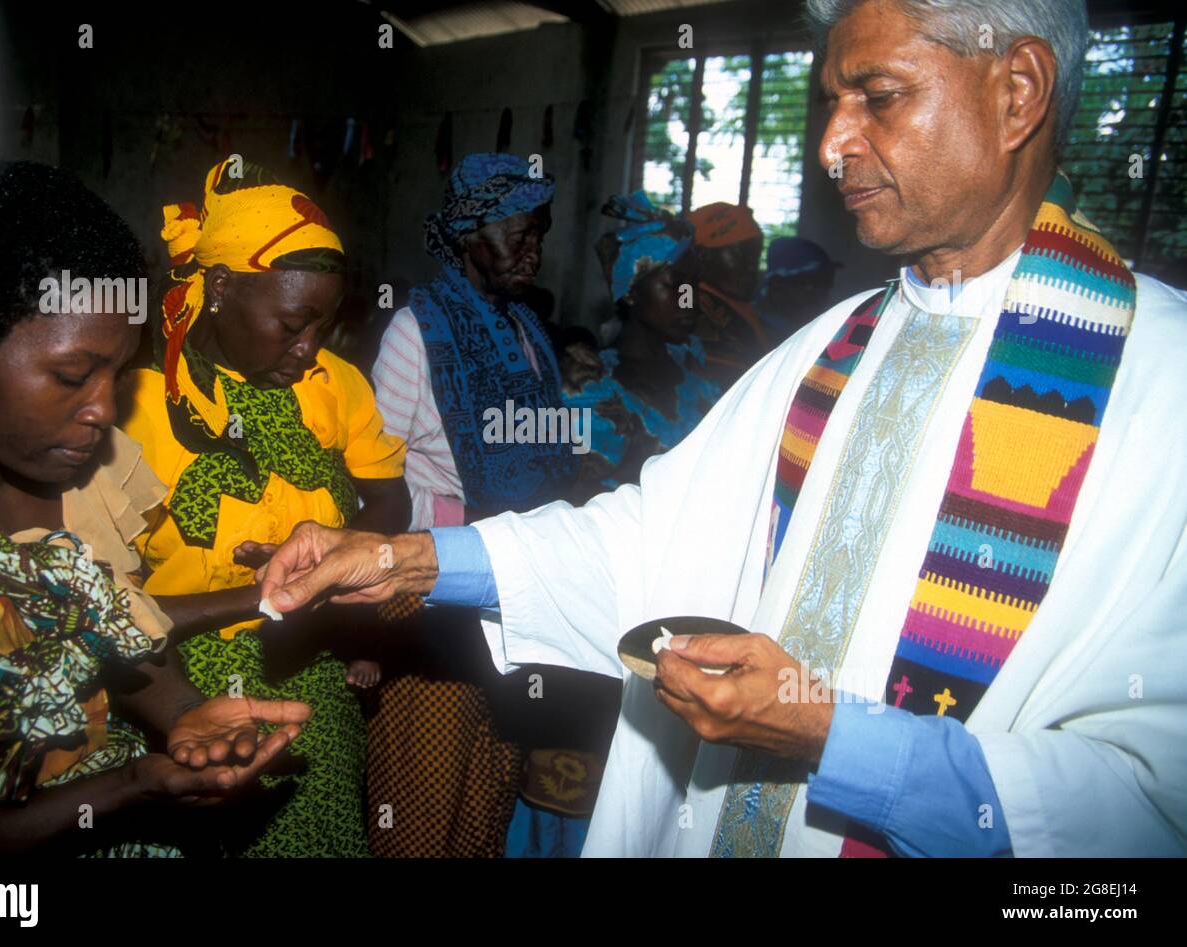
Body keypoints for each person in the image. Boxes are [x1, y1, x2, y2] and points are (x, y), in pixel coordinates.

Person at [260, 0, 1187, 857]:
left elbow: (1150, 803)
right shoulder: (835, 347)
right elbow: (646, 543)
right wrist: (407, 560)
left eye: (879, 97)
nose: (832, 143)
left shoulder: (1163, 388)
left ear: (1016, 90)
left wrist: (831, 735)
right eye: (830, 101)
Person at [0, 162, 308, 855]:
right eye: (72, 375)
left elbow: (114, 632)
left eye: (118, 373)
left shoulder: (86, 475)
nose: (105, 411)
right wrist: (125, 788)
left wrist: (185, 713)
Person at [120, 157, 409, 857]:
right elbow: (103, 594)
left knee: (324, 818)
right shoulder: (139, 404)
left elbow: (390, 504)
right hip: (166, 671)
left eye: (325, 323)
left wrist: (334, 550)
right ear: (220, 288)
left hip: (303, 655)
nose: (310, 346)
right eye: (291, 323)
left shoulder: (333, 386)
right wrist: (247, 591)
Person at [367, 152, 578, 857]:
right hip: (432, 604)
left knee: (486, 803)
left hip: (513, 595)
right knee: (423, 807)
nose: (532, 249)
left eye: (539, 233)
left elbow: (551, 447)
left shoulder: (528, 331)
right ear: (467, 237)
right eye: (515, 233)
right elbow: (374, 480)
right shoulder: (415, 332)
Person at [568, 192, 725, 500]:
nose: (688, 299)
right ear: (630, 291)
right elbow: (577, 497)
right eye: (675, 284)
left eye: (693, 285)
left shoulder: (692, 365)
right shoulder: (591, 384)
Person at [686, 201, 769, 386]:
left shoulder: (735, 305)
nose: (751, 266)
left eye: (756, 255)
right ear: (703, 256)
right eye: (741, 254)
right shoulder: (690, 304)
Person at [758, 236, 843, 347]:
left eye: (827, 282)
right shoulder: (752, 337)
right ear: (777, 284)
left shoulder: (825, 330)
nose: (821, 293)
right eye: (808, 284)